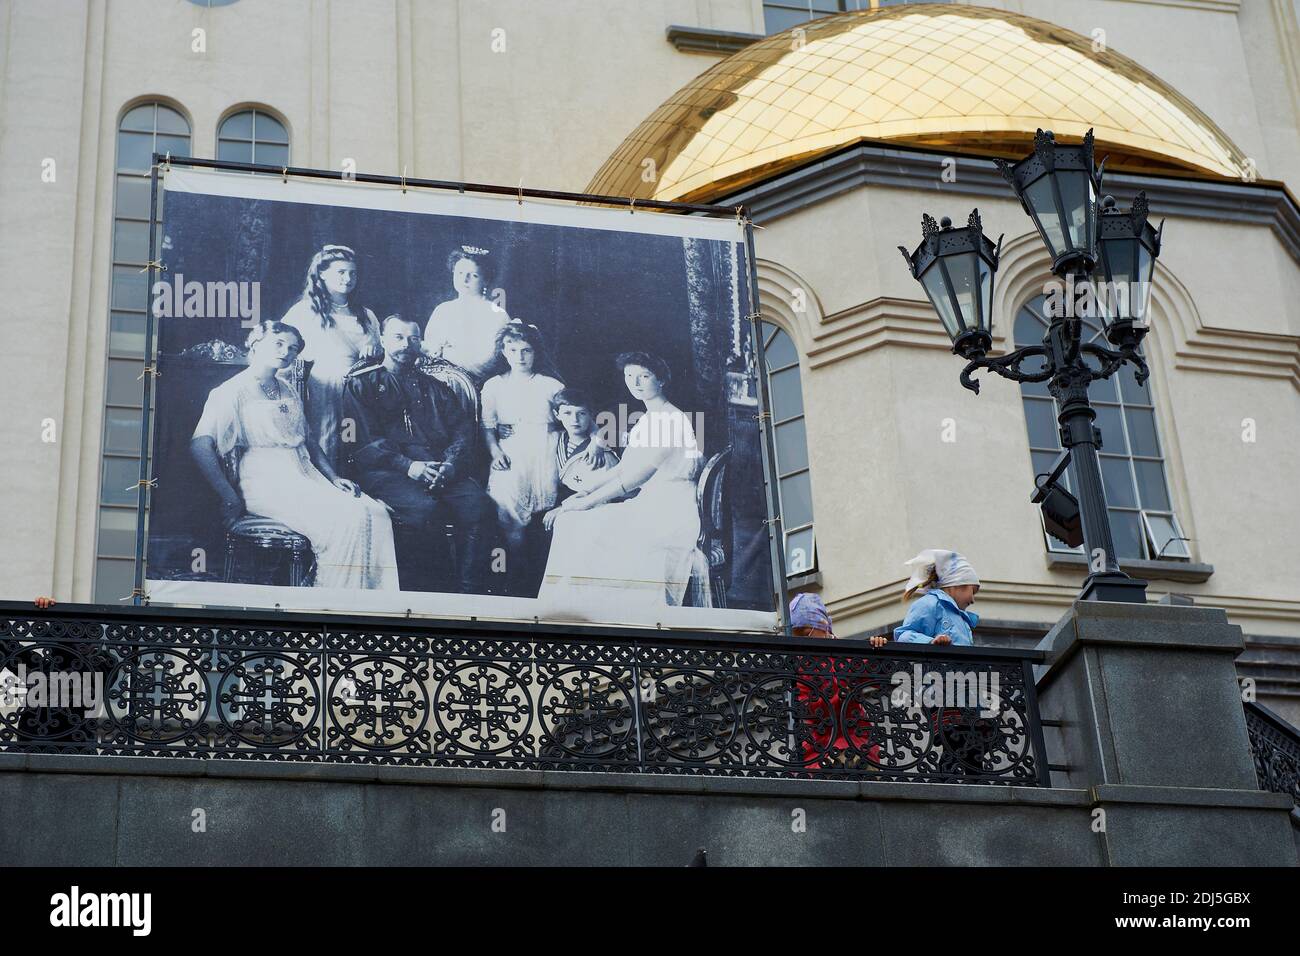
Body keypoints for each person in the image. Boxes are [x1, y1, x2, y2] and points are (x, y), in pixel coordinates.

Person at [190, 321, 398, 591]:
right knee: (347, 519)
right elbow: (199, 446)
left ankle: (371, 605)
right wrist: (228, 495)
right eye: (278, 343)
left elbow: (309, 441)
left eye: (292, 348)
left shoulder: (287, 388)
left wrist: (334, 478)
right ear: (255, 343)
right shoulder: (230, 391)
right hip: (264, 482)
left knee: (375, 512)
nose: (286, 352)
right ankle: (332, 602)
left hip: (305, 475)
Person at [340, 315, 495, 594]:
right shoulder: (361, 385)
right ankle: (428, 596)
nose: (406, 345)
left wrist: (449, 465)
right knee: (425, 510)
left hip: (440, 468)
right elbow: (361, 442)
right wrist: (408, 466)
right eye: (398, 337)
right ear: (384, 341)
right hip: (385, 471)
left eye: (413, 338)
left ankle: (469, 596)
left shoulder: (437, 388)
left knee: (480, 507)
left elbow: (462, 433)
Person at [539, 352, 700, 616]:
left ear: (661, 380)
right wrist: (579, 496)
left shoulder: (670, 421)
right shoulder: (648, 419)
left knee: (578, 523)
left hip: (670, 510)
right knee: (571, 522)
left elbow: (635, 478)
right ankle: (570, 612)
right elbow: (623, 468)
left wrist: (584, 504)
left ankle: (600, 615)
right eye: (629, 376)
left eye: (644, 376)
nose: (635, 383)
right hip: (652, 503)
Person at [280, 245, 383, 469]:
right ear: (322, 274)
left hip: (360, 390)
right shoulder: (305, 311)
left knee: (353, 440)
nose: (348, 278)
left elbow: (379, 352)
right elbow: (283, 346)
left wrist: (376, 347)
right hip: (323, 388)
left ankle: (353, 480)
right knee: (327, 439)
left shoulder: (366, 315)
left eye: (352, 273)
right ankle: (330, 481)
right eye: (341, 272)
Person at [482, 323, 565, 559]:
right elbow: (487, 427)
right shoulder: (494, 386)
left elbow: (571, 416)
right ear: (503, 352)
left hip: (547, 447)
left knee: (548, 506)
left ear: (535, 352)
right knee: (507, 501)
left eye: (526, 350)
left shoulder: (551, 385)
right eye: (513, 350)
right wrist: (496, 452)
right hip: (511, 448)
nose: (520, 356)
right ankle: (517, 568)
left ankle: (544, 566)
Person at [789, 593, 881, 769]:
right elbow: (811, 709)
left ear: (822, 626)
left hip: (856, 743)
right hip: (819, 749)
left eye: (804, 632)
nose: (800, 640)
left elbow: (882, 677)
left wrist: (878, 649)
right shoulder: (800, 666)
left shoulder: (846, 655)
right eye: (795, 635)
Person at [424, 246, 510, 380]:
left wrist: (446, 354)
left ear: (486, 280)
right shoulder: (442, 310)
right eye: (460, 273)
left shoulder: (497, 314)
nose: (464, 280)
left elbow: (488, 362)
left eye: (474, 275)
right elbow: (429, 349)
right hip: (437, 381)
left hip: (475, 384)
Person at [893, 549, 980, 645]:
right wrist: (931, 642)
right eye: (973, 591)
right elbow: (904, 636)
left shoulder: (963, 620)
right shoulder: (930, 603)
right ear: (958, 584)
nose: (972, 600)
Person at [549, 387, 619, 503]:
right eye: (567, 413)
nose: (574, 419)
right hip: (564, 499)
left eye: (581, 413)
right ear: (557, 415)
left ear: (590, 415)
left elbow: (602, 494)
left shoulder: (599, 453)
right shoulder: (558, 439)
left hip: (590, 504)